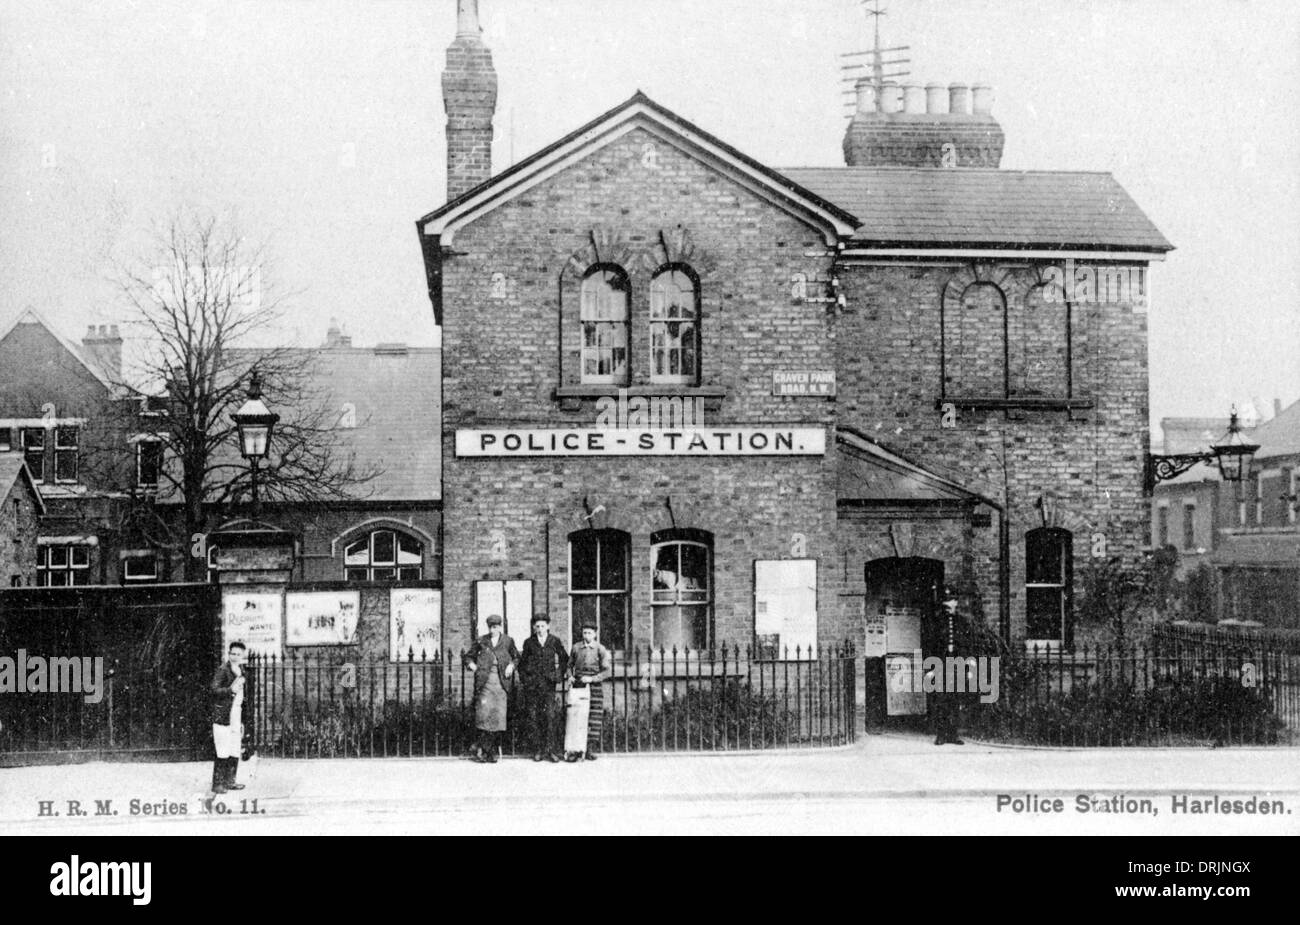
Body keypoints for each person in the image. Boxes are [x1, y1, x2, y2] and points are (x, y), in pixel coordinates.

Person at [465, 614, 518, 762]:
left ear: (501, 627)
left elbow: (516, 657)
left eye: (496, 627)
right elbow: (468, 657)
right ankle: (485, 752)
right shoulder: (482, 640)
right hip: (485, 683)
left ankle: (490, 751)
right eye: (491, 627)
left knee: (497, 717)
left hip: (501, 684)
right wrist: (473, 666)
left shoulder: (508, 641)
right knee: (484, 716)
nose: (493, 630)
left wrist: (511, 666)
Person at [517, 614, 568, 762]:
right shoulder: (529, 642)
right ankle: (537, 750)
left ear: (548, 626)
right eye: (537, 626)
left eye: (543, 626)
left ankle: (551, 750)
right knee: (533, 717)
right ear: (534, 627)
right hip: (532, 687)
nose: (540, 629)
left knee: (550, 717)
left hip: (548, 685)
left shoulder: (554, 641)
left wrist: (557, 675)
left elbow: (564, 659)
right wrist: (526, 680)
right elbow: (522, 665)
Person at [565, 621, 612, 761]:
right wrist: (571, 677)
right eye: (585, 632)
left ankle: (589, 749)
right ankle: (575, 750)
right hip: (579, 685)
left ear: (595, 634)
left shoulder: (600, 649)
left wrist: (592, 679)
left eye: (590, 633)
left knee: (593, 718)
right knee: (576, 717)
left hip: (594, 686)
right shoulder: (576, 648)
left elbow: (607, 671)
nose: (587, 635)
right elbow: (569, 666)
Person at [928, 587, 969, 746]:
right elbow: (931, 643)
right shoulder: (937, 621)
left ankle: (953, 734)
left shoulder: (961, 622)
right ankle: (941, 734)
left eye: (951, 601)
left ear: (955, 603)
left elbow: (965, 644)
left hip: (957, 663)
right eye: (947, 602)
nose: (949, 605)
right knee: (941, 700)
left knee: (955, 700)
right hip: (941, 664)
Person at [210, 641, 249, 794]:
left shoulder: (241, 670)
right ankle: (218, 784)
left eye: (238, 654)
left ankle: (230, 781)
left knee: (234, 746)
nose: (235, 656)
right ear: (229, 654)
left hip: (236, 713)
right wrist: (229, 690)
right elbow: (214, 690)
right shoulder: (223, 670)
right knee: (222, 747)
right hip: (224, 714)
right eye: (233, 653)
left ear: (243, 655)